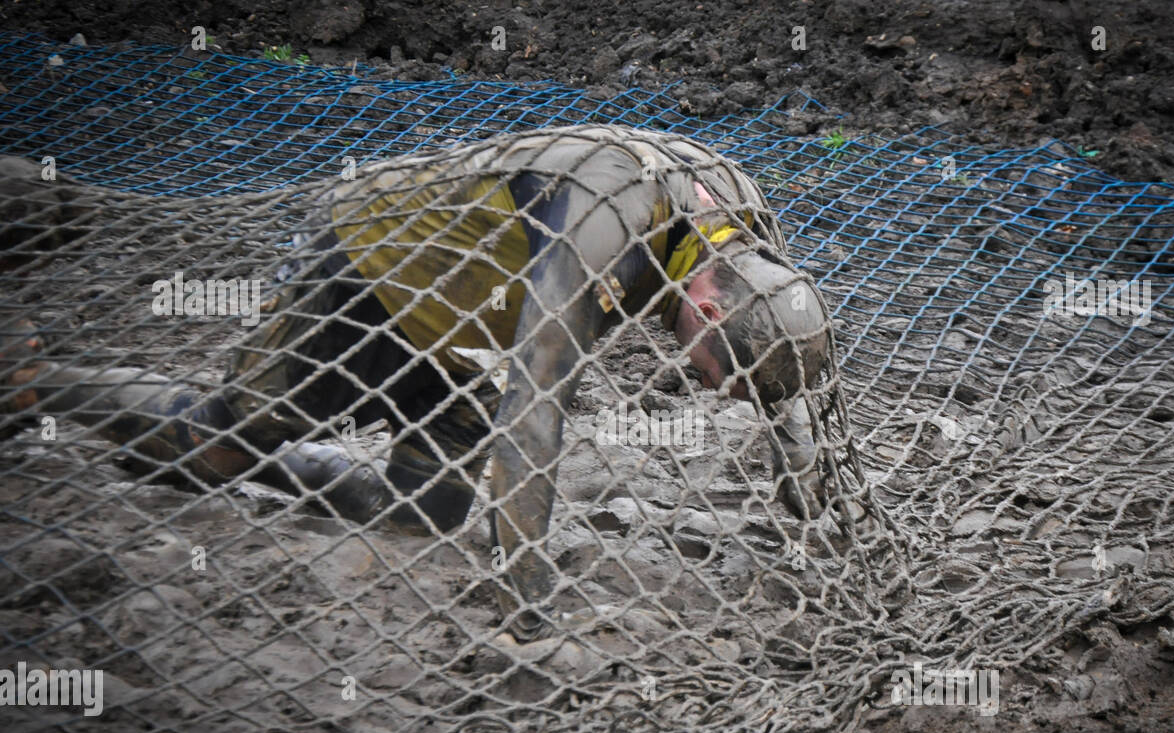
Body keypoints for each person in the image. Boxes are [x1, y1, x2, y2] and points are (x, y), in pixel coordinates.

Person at [1, 125, 832, 639]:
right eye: (712, 374)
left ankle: (298, 469)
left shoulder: (744, 229)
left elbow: (782, 354)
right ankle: (36, 382)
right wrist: (529, 598)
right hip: (370, 263)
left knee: (428, 509)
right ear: (708, 314)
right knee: (223, 437)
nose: (704, 389)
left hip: (458, 314)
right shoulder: (604, 220)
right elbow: (536, 401)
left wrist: (812, 504)